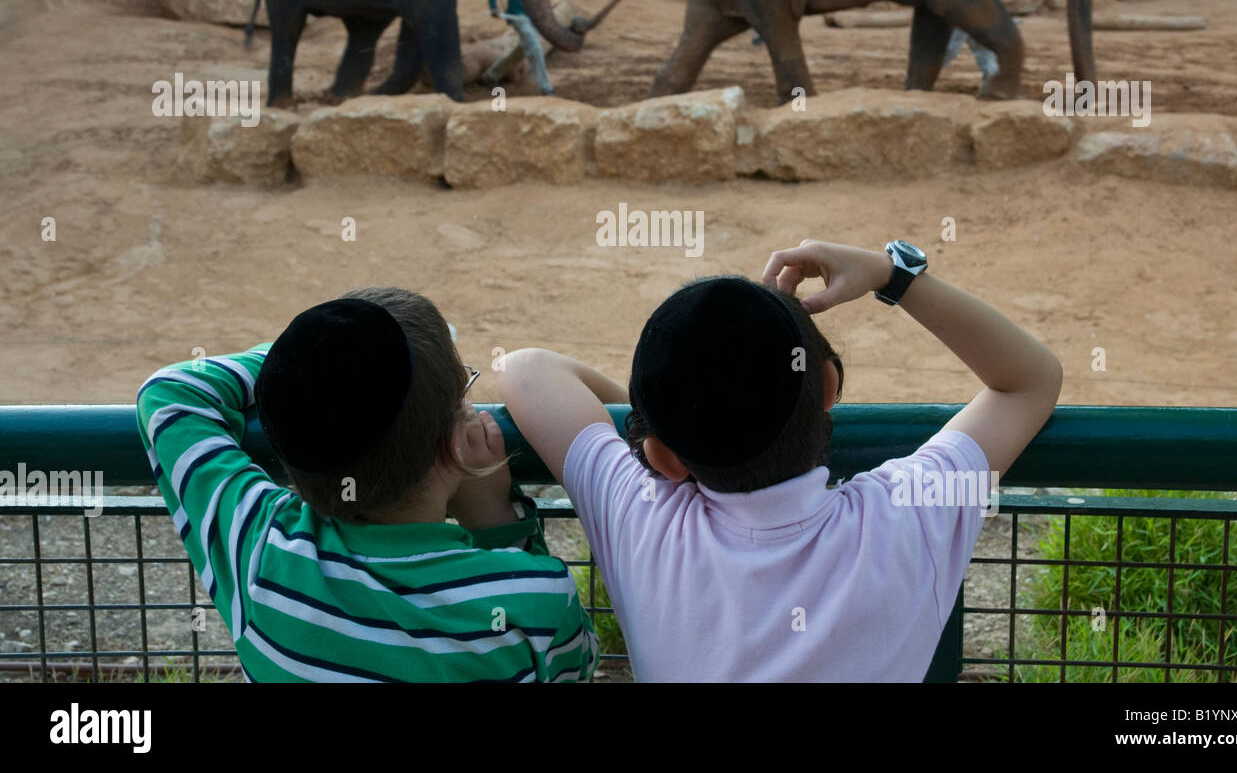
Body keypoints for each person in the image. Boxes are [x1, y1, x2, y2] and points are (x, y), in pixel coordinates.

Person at [497, 239, 1062, 681]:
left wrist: (675, 422)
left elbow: (526, 369)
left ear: (663, 461)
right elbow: (1029, 381)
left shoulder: (640, 516)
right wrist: (892, 275)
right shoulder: (905, 518)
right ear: (829, 384)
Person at [136, 286, 598, 682]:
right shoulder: (535, 602)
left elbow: (170, 394)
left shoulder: (261, 555)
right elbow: (577, 667)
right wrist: (498, 524)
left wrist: (308, 364)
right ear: (453, 444)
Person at [485, 0, 554, 95]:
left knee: (521, 51)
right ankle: (546, 88)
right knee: (535, 48)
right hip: (517, 16)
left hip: (531, 16)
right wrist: (493, 6)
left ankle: (491, 75)